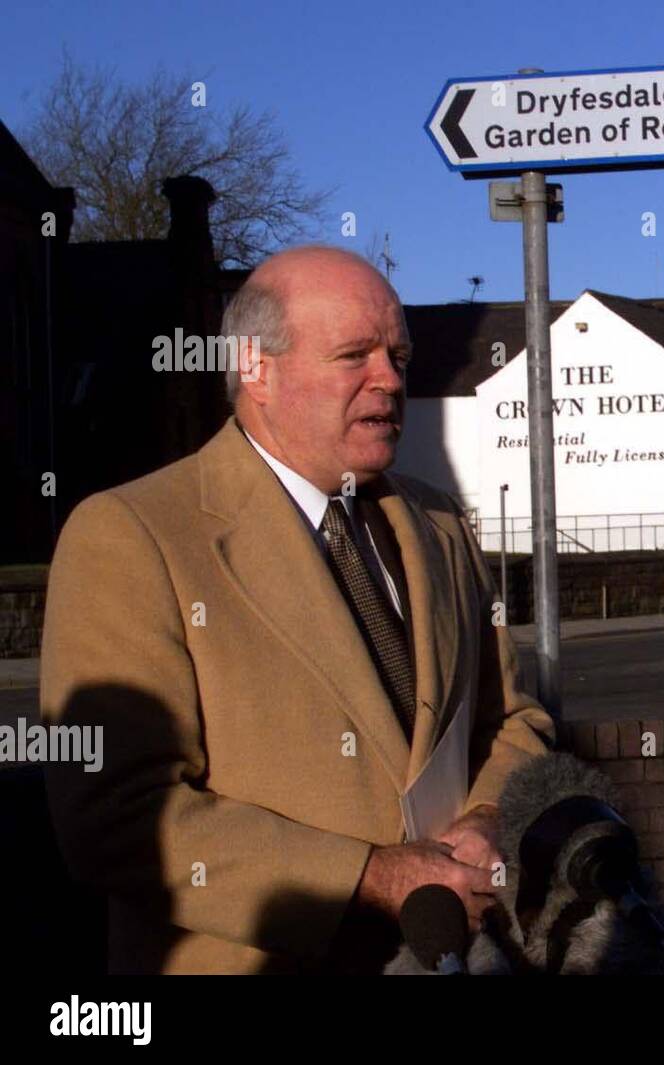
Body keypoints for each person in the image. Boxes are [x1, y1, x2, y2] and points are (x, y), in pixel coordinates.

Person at [40, 245, 555, 973]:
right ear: (257, 370)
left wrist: (488, 817)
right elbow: (118, 816)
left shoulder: (438, 521)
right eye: (355, 355)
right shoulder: (134, 534)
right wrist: (374, 877)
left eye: (398, 355)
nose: (391, 380)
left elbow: (514, 719)